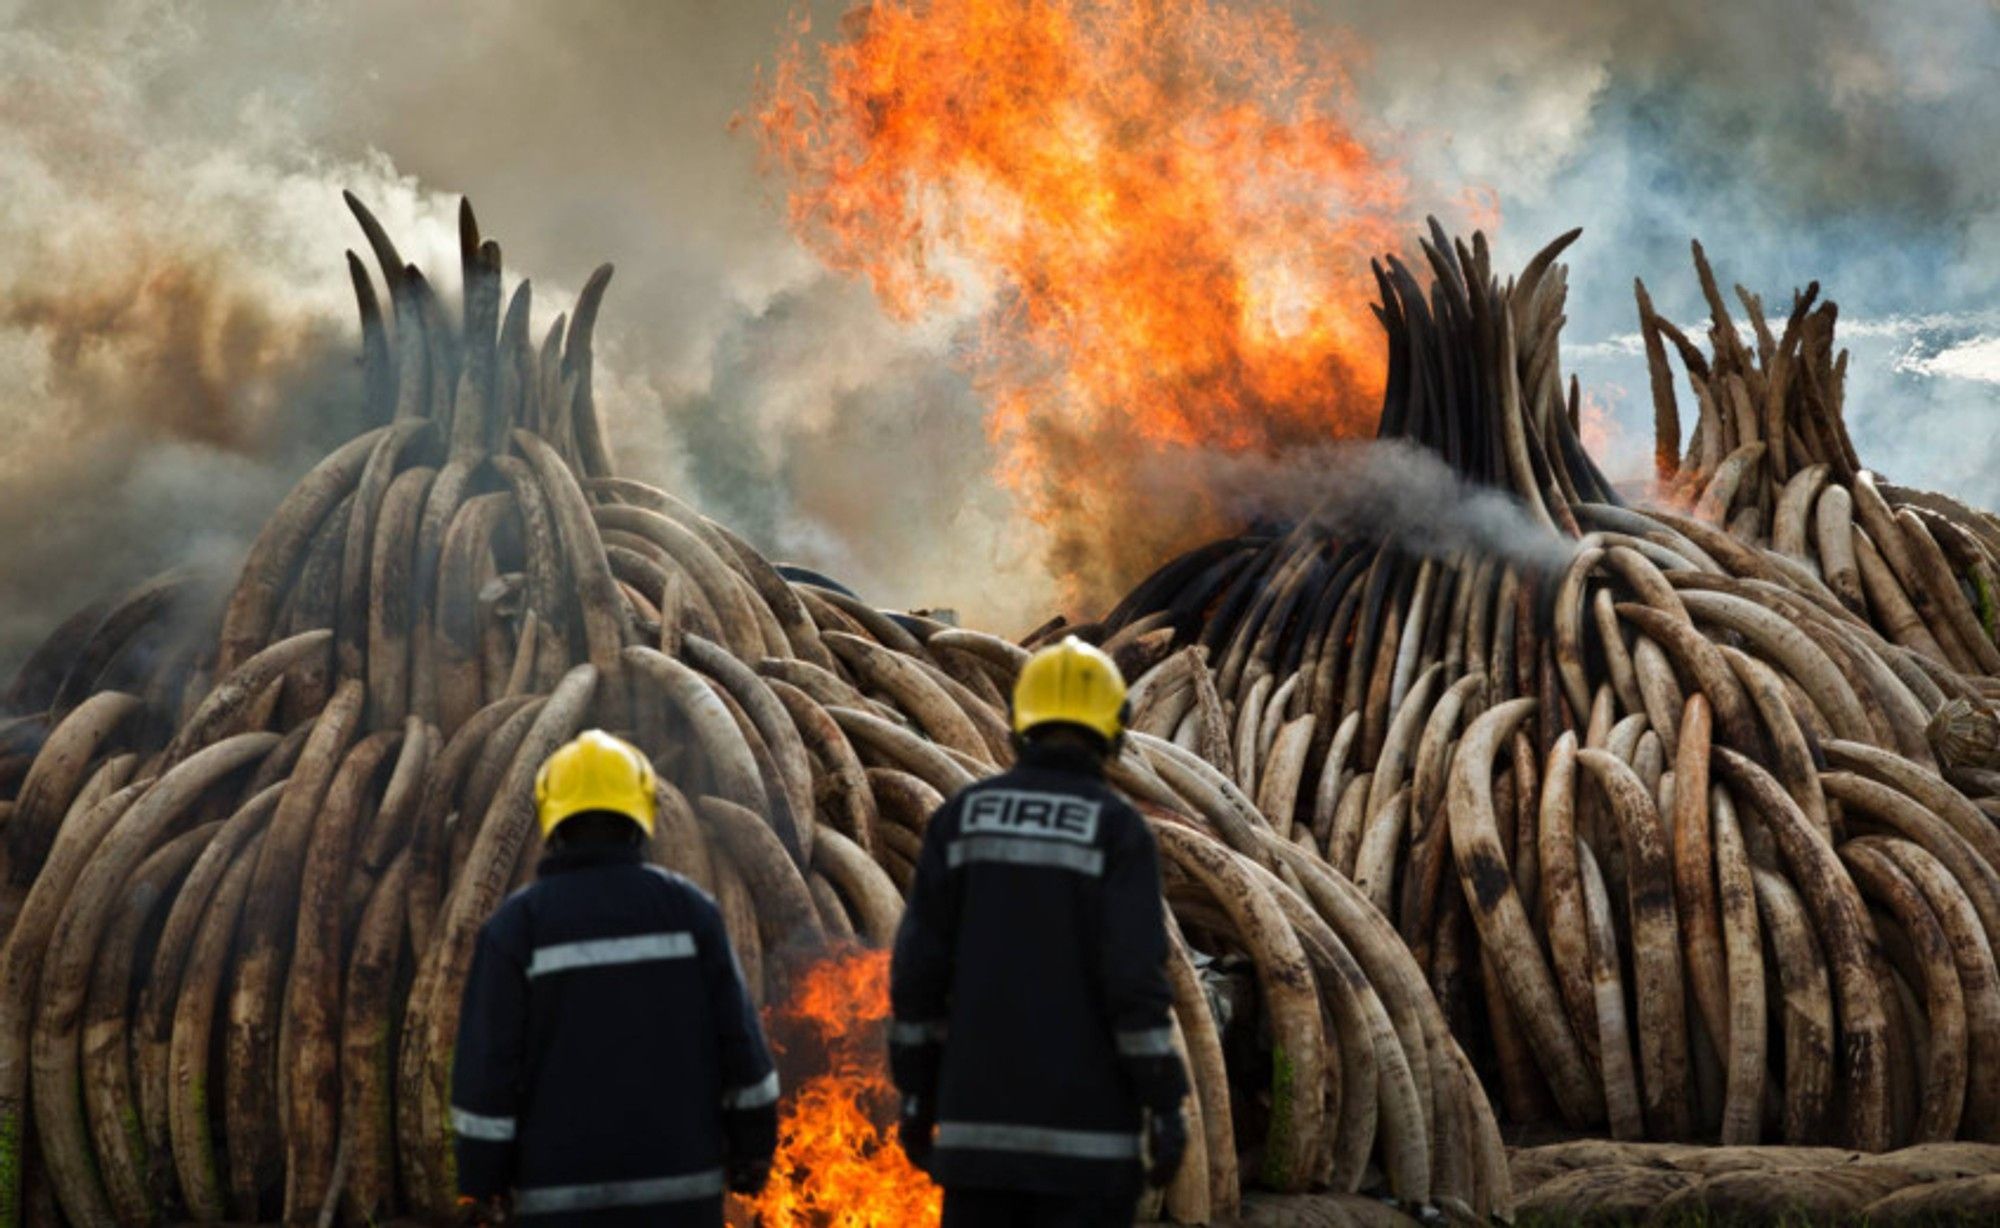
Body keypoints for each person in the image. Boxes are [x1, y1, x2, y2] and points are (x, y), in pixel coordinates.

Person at [889, 637, 1190, 1227]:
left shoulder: (962, 818)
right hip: (1089, 1154)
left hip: (980, 1146)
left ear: (1018, 723)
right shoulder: (1117, 830)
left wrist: (917, 1094)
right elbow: (1134, 981)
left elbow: (918, 974)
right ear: (1115, 729)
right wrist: (1164, 1101)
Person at [451, 730, 779, 1225]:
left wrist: (483, 1180)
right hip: (682, 1196)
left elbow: (487, 1070)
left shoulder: (516, 928)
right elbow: (741, 1048)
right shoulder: (692, 914)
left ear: (551, 823)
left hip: (560, 1202)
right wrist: (753, 1152)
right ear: (642, 818)